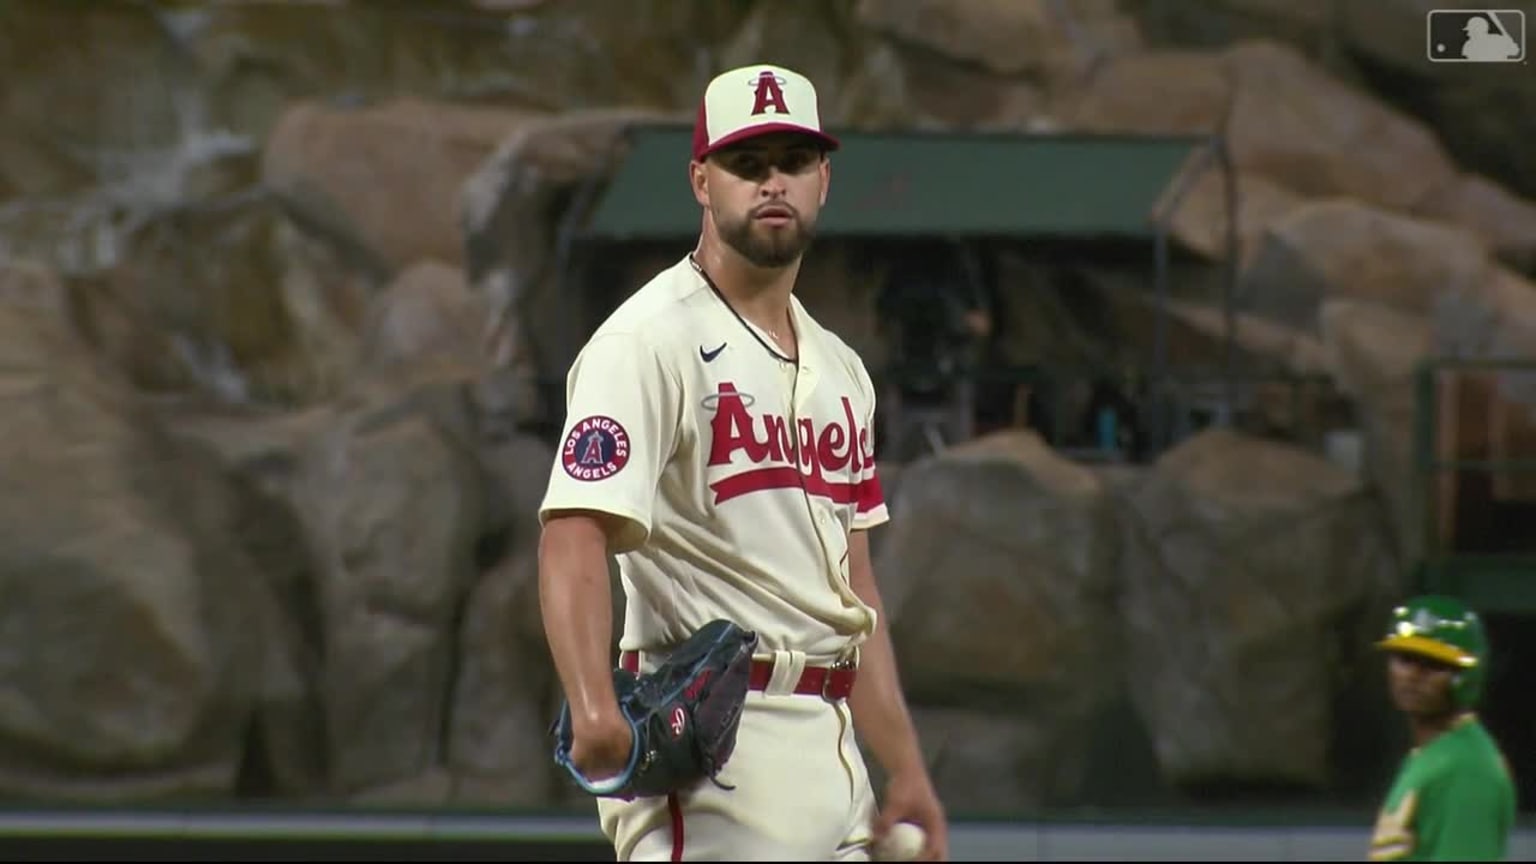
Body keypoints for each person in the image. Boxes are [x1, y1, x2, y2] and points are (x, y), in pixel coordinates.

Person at [536, 62, 949, 861]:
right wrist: (593, 707)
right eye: (747, 163)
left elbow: (854, 590)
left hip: (835, 757)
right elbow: (573, 529)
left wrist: (904, 768)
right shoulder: (647, 341)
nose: (773, 183)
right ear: (701, 180)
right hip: (718, 749)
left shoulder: (842, 370)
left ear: (823, 180)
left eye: (792, 162)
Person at [1368, 594, 1516, 861]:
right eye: (1405, 658)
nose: (1413, 675)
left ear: (1466, 676)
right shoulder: (1434, 754)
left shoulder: (1468, 769)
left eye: (1433, 665)